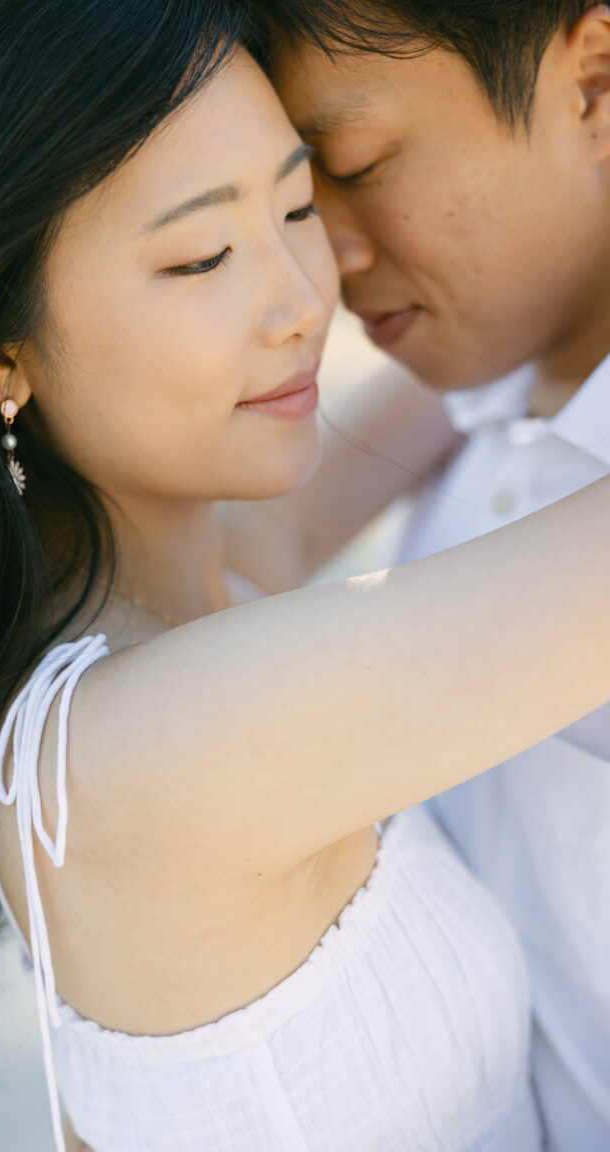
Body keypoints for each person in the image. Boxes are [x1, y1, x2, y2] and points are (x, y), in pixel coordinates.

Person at [0, 3, 610, 1151]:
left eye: (297, 206)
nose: (305, 299)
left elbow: (475, 364)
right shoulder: (158, 749)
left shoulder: (186, 593)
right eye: (201, 256)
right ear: (0, 345)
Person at [251, 2, 610, 1148]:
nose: (324, 261)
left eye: (356, 167)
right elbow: (256, 544)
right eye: (294, 196)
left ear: (595, 83)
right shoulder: (486, 383)